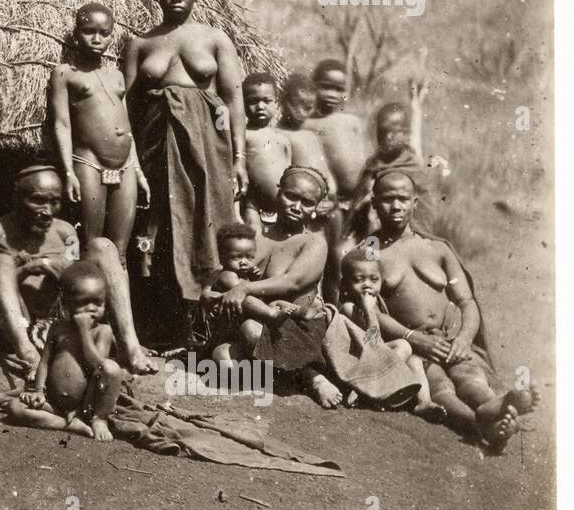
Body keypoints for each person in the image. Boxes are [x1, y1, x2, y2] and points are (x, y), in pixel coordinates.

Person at [124, 0, 246, 346]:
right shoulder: (140, 43)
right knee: (156, 228)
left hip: (207, 150)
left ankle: (208, 328)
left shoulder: (214, 39)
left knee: (205, 225)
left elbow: (234, 99)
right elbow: (124, 105)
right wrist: (131, 160)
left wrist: (239, 159)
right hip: (156, 147)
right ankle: (163, 326)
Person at [369, 169, 537, 449]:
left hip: (451, 340)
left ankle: (493, 408)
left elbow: (467, 302)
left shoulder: (437, 249)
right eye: (387, 199)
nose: (396, 206)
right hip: (416, 348)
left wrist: (464, 338)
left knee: (470, 375)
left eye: (402, 199)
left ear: (415, 203)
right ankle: (484, 424)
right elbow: (369, 312)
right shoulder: (368, 255)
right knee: (440, 390)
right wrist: (414, 338)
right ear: (374, 204)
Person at [0, 164, 157, 374]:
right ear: (16, 197)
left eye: (55, 202)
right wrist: (28, 269)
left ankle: (130, 347)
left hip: (55, 329)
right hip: (7, 331)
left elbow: (76, 290)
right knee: (1, 262)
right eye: (38, 200)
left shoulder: (64, 231)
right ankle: (29, 357)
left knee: (103, 246)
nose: (47, 211)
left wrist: (67, 272)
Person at [202, 167, 344, 408]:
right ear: (278, 192)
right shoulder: (256, 237)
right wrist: (209, 294)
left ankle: (310, 374)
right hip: (255, 320)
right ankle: (281, 373)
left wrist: (244, 289)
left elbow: (293, 282)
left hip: (293, 323)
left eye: (307, 202)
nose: (297, 207)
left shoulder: (313, 242)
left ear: (317, 206)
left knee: (251, 330)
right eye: (291, 196)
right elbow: (223, 272)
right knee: (222, 360)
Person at [49, 1, 148, 258]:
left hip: (125, 165)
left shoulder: (116, 75)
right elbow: (62, 123)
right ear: (76, 34)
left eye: (104, 33)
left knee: (120, 252)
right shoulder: (65, 74)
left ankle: (119, 298)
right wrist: (68, 171)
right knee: (91, 244)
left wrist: (137, 170)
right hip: (88, 162)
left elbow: (126, 126)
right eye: (88, 31)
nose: (96, 39)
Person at [6, 261, 124, 442]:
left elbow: (97, 367)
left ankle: (99, 420)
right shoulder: (58, 328)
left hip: (86, 404)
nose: (92, 308)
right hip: (53, 402)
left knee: (112, 368)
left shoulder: (102, 331)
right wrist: (38, 391)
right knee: (15, 407)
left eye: (98, 303)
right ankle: (67, 424)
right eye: (83, 303)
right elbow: (44, 362)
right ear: (66, 304)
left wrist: (84, 332)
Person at [330, 248, 442, 418]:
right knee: (403, 345)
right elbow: (374, 342)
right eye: (359, 280)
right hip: (356, 362)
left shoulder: (377, 303)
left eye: (374, 279)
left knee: (415, 360)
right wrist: (368, 310)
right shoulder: (349, 308)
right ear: (345, 285)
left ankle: (424, 402)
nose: (367, 284)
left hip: (372, 361)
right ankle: (368, 392)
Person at [303, 59, 368, 297]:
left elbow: (366, 160)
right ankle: (333, 308)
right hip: (331, 203)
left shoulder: (352, 122)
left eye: (339, 89)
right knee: (332, 259)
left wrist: (367, 192)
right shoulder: (308, 124)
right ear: (313, 88)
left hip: (360, 201)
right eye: (325, 86)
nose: (332, 94)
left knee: (364, 256)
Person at [346, 101, 448, 244]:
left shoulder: (413, 167)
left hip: (407, 232)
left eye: (394, 132)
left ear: (407, 135)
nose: (388, 137)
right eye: (383, 131)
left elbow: (425, 212)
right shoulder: (373, 164)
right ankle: (370, 258)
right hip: (370, 231)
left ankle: (375, 257)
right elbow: (357, 205)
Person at [203, 223, 301, 368]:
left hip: (244, 333)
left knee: (276, 302)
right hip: (229, 337)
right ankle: (272, 314)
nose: (244, 262)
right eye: (236, 258)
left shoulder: (244, 276)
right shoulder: (226, 275)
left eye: (249, 257)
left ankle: (294, 311)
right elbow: (242, 294)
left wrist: (254, 280)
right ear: (222, 257)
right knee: (225, 359)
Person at [241, 72, 293, 233]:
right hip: (253, 205)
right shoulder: (244, 135)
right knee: (255, 238)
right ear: (242, 104)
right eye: (253, 101)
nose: (260, 106)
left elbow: (289, 171)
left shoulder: (283, 138)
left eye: (267, 101)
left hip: (282, 207)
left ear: (276, 104)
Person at [277, 72, 335, 196]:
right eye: (297, 105)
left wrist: (332, 197)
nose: (302, 113)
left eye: (308, 108)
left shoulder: (310, 135)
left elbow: (327, 172)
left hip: (324, 199)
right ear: (283, 101)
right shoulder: (278, 135)